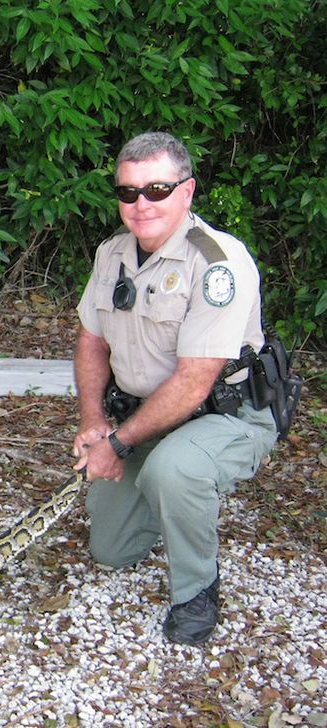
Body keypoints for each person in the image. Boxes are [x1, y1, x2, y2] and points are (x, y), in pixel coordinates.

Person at [72, 132, 278, 644]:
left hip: (225, 417)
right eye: (128, 192)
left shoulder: (216, 263)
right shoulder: (113, 254)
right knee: (111, 550)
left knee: (176, 469)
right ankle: (170, 497)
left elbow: (192, 383)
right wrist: (94, 422)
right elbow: (91, 341)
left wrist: (117, 444)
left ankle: (197, 591)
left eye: (157, 190)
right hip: (149, 420)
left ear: (186, 192)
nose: (141, 205)